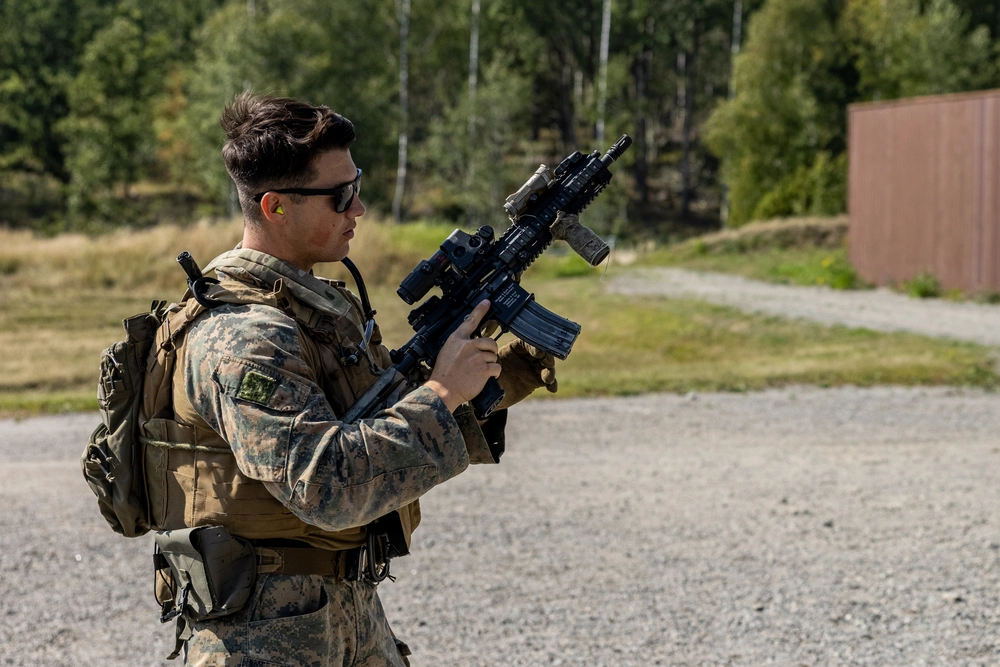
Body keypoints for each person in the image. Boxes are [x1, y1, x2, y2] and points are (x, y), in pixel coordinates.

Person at [139, 92, 557, 666]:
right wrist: (442, 394)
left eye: (356, 186)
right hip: (265, 633)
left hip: (341, 608)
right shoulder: (243, 338)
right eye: (341, 196)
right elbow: (323, 484)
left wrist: (491, 375)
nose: (358, 210)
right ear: (275, 206)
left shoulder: (313, 309)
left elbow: (376, 433)